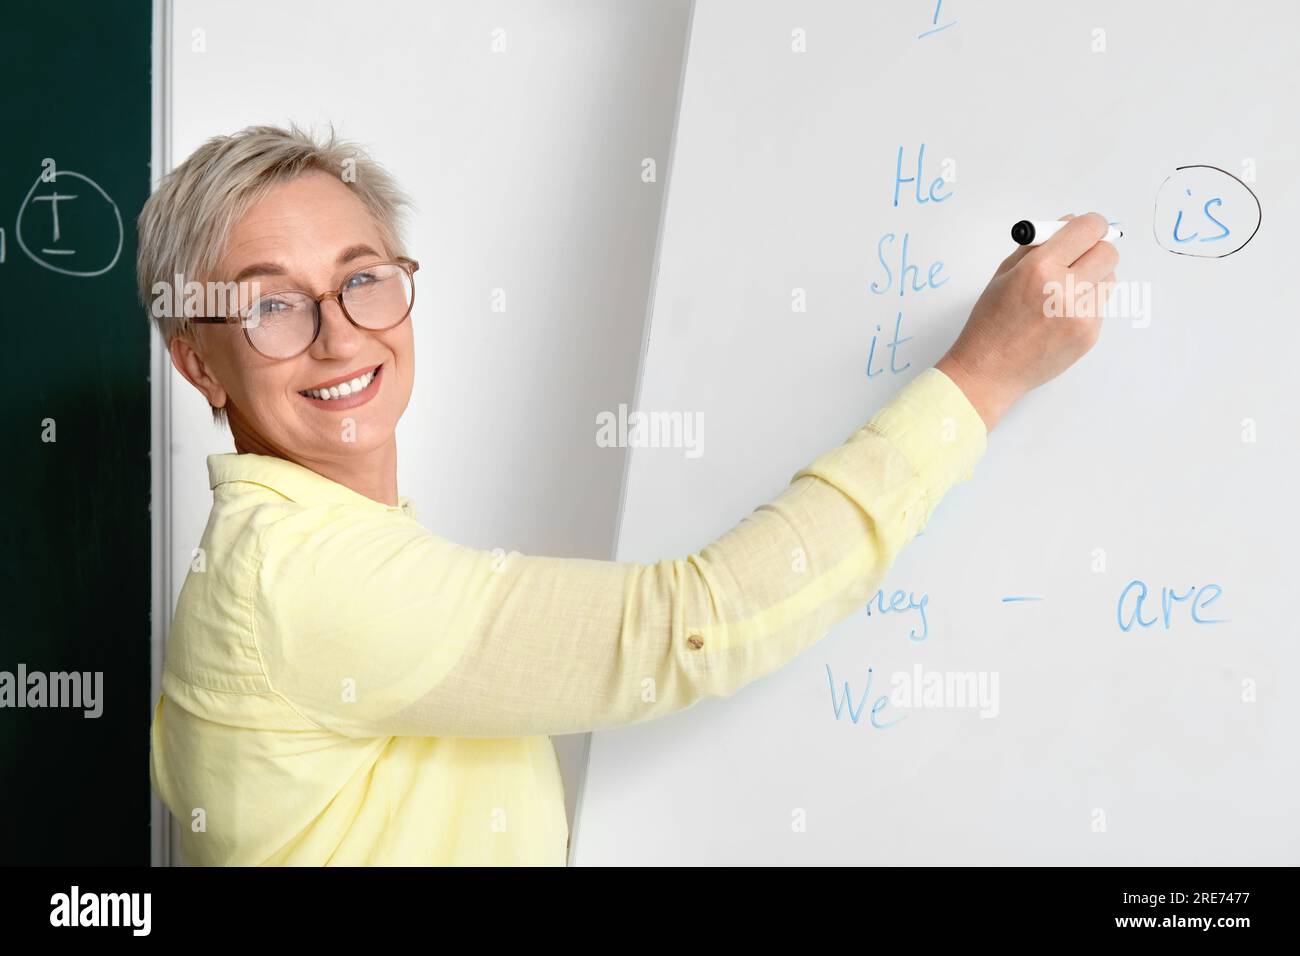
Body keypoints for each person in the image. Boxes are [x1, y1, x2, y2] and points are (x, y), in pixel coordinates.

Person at [143, 125, 1118, 865]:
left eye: (363, 278)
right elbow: (689, 623)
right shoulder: (300, 574)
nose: (340, 332)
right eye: (271, 304)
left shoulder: (313, 548)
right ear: (200, 362)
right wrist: (982, 378)